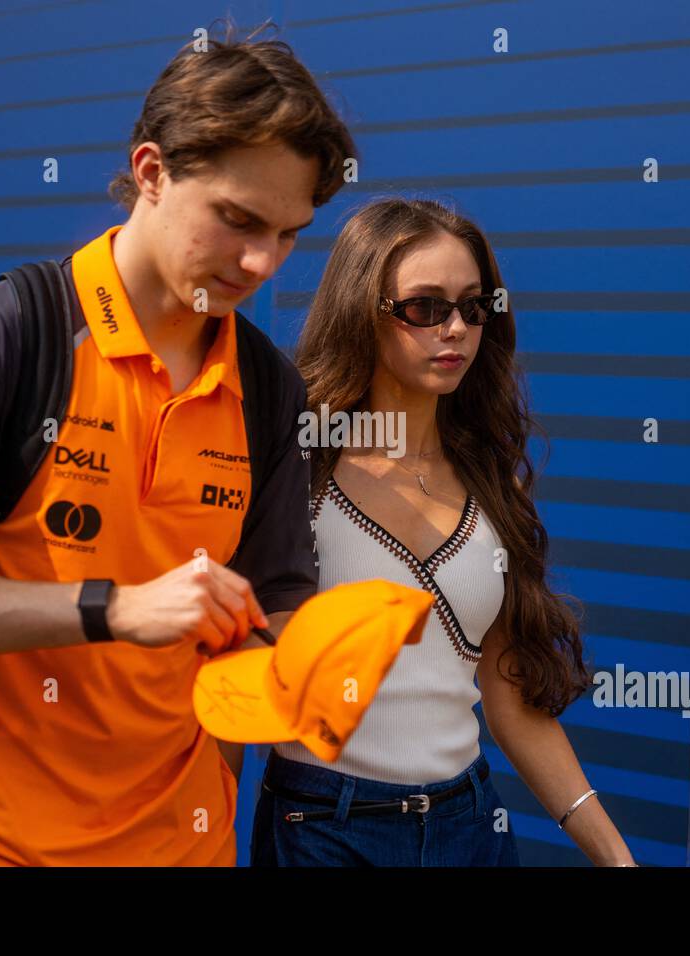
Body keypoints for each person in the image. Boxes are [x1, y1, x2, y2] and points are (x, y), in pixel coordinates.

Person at [0, 24, 356, 866]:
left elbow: (274, 605)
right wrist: (110, 609)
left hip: (184, 842)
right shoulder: (9, 332)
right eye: (237, 219)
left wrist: (321, 656)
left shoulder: (268, 387)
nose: (263, 262)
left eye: (290, 233)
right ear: (150, 171)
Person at [248, 198, 638, 867]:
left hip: (470, 826)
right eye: (424, 307)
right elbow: (233, 673)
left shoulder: (491, 479)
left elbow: (507, 690)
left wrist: (614, 856)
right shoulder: (294, 464)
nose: (454, 328)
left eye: (472, 306)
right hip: (321, 827)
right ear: (362, 311)